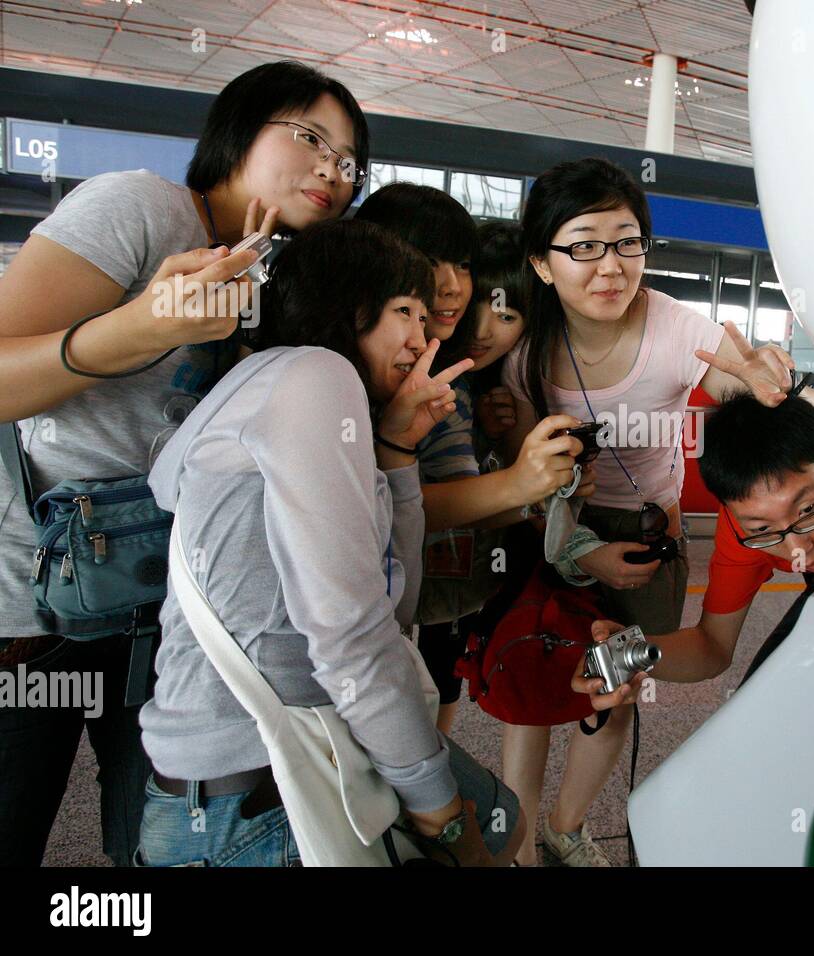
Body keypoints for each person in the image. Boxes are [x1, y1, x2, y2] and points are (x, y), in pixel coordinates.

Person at [0, 59, 366, 867]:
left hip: (168, 623)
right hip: (32, 613)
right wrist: (138, 329)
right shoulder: (142, 207)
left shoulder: (280, 278)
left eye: (347, 161)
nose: (330, 170)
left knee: (154, 847)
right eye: (310, 137)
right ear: (236, 133)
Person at [137, 218, 524, 867]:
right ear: (348, 302)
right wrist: (440, 812)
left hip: (236, 789)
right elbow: (352, 632)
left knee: (500, 816)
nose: (422, 336)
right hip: (262, 802)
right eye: (405, 310)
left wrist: (398, 447)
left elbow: (391, 611)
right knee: (486, 824)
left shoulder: (275, 387)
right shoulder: (313, 376)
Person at [497, 156, 795, 866]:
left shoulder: (672, 326)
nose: (611, 267)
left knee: (617, 687)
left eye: (628, 241)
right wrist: (577, 551)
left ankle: (566, 827)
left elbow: (730, 374)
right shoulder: (523, 352)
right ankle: (514, 844)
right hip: (556, 532)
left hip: (649, 539)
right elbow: (521, 479)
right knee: (536, 690)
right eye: (585, 245)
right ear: (543, 264)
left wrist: (757, 378)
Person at [354, 193, 588, 735]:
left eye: (505, 314)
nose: (479, 324)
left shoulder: (484, 385)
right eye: (437, 265)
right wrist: (526, 489)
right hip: (381, 585)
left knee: (437, 671)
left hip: (446, 580)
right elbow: (415, 497)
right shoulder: (414, 376)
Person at [574, 392, 814, 708]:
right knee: (766, 696)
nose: (799, 548)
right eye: (764, 530)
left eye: (809, 511)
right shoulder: (743, 527)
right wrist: (633, 653)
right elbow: (712, 647)